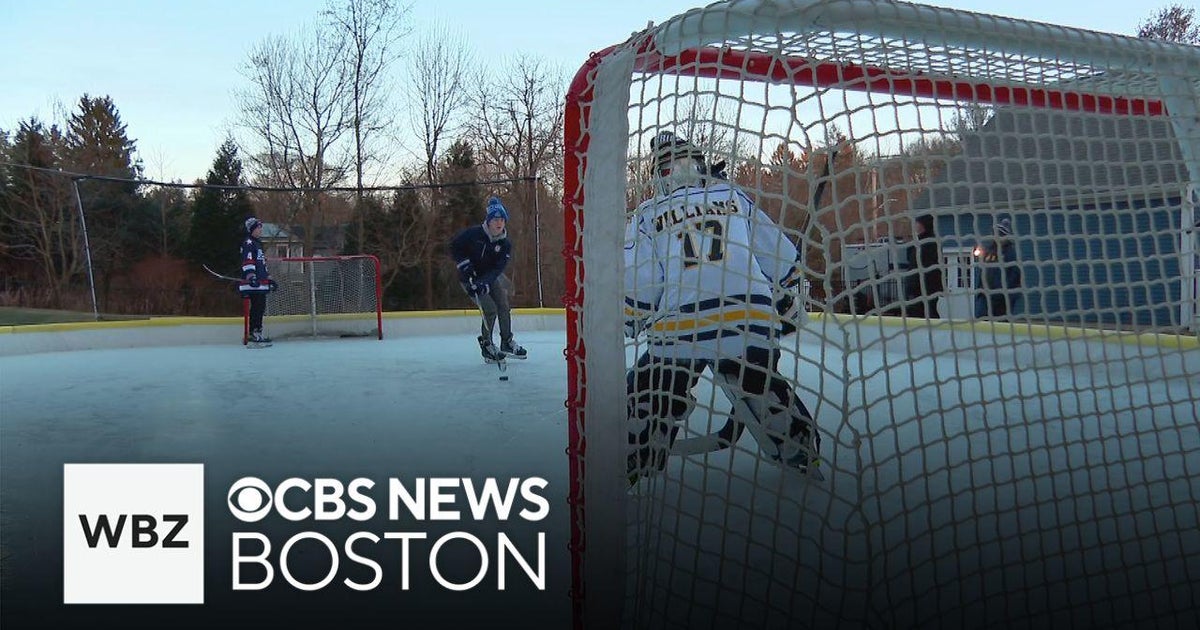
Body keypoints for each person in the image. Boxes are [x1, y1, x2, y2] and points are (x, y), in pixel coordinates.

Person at [623, 131, 820, 481]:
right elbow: (778, 255)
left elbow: (642, 287)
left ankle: (642, 433)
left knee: (651, 383)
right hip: (751, 317)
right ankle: (793, 434)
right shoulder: (732, 195)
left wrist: (629, 317)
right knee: (757, 372)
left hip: (682, 327)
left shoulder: (647, 213)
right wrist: (789, 292)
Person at [450, 196, 527, 363]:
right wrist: (464, 265)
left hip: (488, 279)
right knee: (490, 309)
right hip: (468, 280)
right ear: (489, 221)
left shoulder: (505, 244)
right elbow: (455, 246)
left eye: (502, 220)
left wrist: (484, 282)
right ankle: (487, 345)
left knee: (503, 306)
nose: (499, 223)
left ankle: (506, 341)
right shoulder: (474, 234)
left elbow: (497, 269)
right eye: (495, 219)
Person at [974, 217, 1022, 319]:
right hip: (985, 295)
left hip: (1002, 298)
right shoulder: (989, 250)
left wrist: (1005, 293)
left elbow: (1015, 276)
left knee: (999, 323)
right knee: (981, 319)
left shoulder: (1010, 254)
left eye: (1001, 234)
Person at [239, 217, 276, 346]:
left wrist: (268, 278)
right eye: (258, 227)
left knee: (260, 307)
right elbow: (248, 260)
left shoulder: (258, 243)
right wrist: (251, 276)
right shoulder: (248, 243)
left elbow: (261, 263)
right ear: (252, 229)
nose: (260, 230)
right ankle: (254, 333)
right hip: (254, 283)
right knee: (256, 307)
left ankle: (257, 332)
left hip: (261, 282)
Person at [905, 214, 944, 318]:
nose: (915, 226)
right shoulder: (917, 244)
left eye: (917, 224)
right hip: (915, 288)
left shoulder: (930, 244)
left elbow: (933, 267)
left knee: (926, 313)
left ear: (924, 225)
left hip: (925, 289)